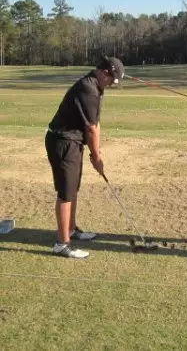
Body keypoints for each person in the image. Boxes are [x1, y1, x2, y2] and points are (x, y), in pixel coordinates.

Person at [45, 56, 125, 258]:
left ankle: (71, 230)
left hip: (73, 141)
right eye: (113, 80)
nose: (113, 84)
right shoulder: (88, 89)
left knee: (73, 188)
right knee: (66, 192)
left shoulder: (96, 86)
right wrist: (96, 157)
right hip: (63, 141)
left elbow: (95, 124)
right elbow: (91, 129)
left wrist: (96, 153)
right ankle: (62, 244)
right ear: (104, 72)